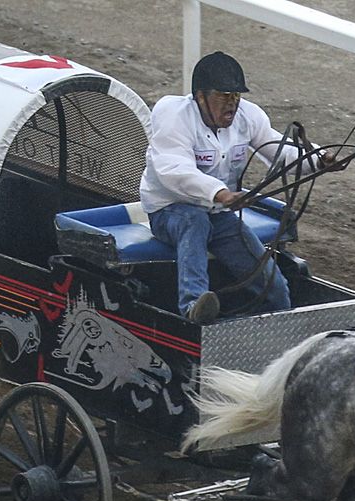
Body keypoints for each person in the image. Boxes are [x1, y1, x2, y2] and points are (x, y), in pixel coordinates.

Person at [140, 51, 339, 324]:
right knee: (194, 221)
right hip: (169, 211)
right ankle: (193, 305)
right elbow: (174, 169)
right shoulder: (173, 115)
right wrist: (220, 193)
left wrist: (318, 159)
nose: (232, 103)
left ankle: (276, 312)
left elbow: (279, 150)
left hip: (219, 213)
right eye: (224, 96)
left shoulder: (248, 116)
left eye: (236, 96)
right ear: (200, 96)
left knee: (274, 288)